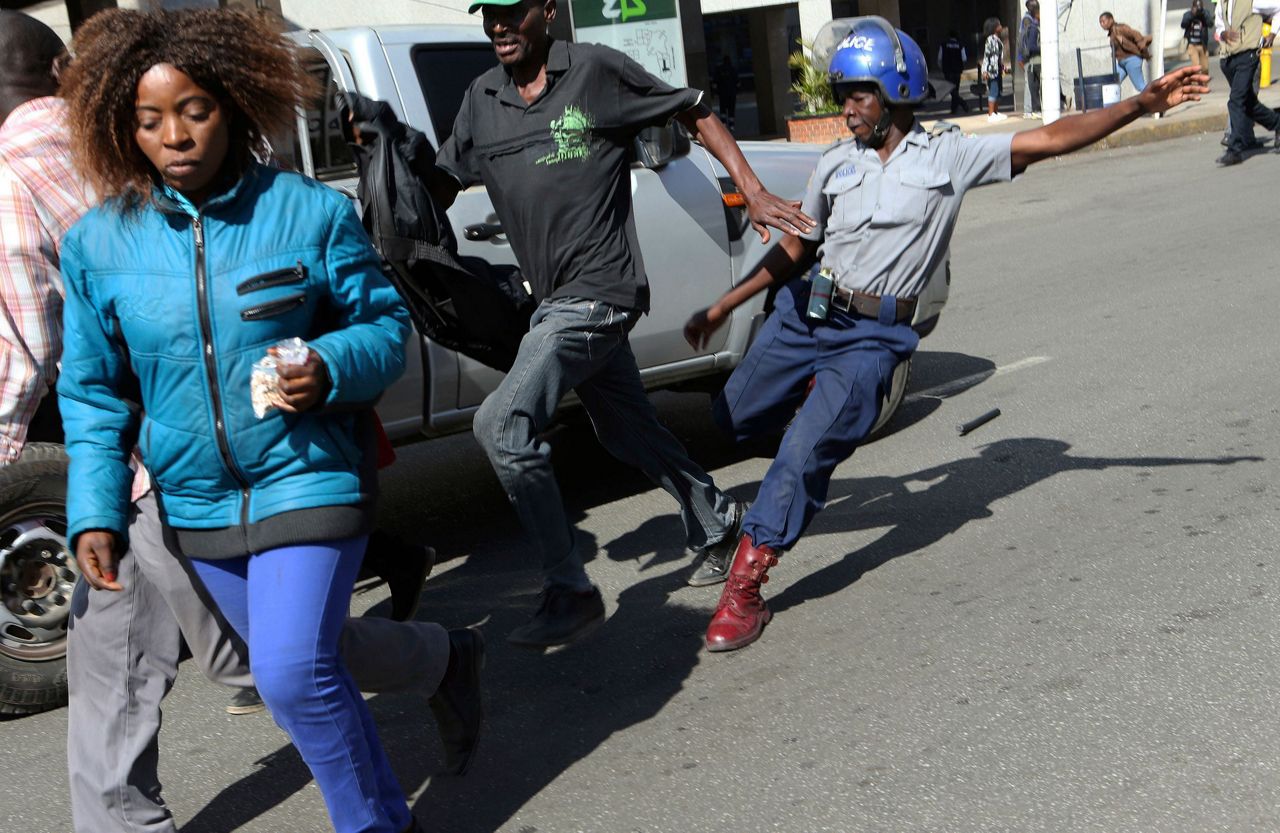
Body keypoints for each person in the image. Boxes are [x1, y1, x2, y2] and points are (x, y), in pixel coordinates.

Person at [0, 13, 483, 833]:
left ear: (232, 104)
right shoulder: (97, 245)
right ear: (123, 125)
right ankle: (439, 674)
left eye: (194, 110)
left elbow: (382, 329)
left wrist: (329, 367)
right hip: (194, 501)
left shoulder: (305, 213)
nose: (174, 136)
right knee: (295, 664)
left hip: (309, 475)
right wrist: (94, 509)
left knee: (291, 673)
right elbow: (92, 393)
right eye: (148, 120)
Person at [682, 16, 1209, 653]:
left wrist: (1140, 103)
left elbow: (1050, 138)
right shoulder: (832, 164)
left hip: (869, 340)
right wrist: (724, 306)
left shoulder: (950, 155)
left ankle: (746, 584)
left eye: (860, 94)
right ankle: (788, 469)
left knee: (802, 451)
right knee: (732, 418)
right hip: (806, 312)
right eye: (842, 94)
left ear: (895, 95)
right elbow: (797, 244)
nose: (847, 108)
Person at [428, 0, 813, 648]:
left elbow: (690, 105)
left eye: (510, 11)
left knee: (498, 423)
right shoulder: (481, 99)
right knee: (626, 431)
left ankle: (569, 588)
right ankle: (718, 522)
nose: (497, 24)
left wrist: (747, 185)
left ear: (547, 11)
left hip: (600, 292)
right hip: (552, 301)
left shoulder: (596, 73)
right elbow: (438, 184)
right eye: (487, 12)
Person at [1214, 0, 1280, 165]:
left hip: (1248, 55)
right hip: (1228, 58)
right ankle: (1278, 123)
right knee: (1248, 103)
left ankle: (1234, 149)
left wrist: (1272, 34)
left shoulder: (1253, 1)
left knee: (1236, 100)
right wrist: (1223, 34)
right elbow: (1219, 24)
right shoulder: (1221, 3)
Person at [1100, 11, 1152, 94]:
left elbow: (1136, 35)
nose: (1102, 24)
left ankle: (1155, 98)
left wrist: (1141, 45)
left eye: (1104, 21)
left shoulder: (1120, 28)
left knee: (1140, 86)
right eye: (1100, 22)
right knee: (1113, 84)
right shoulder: (1112, 32)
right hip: (1122, 62)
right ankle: (1114, 105)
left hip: (1131, 60)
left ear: (1111, 20)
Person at [1019, 0, 1043, 118]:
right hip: (1031, 60)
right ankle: (1030, 110)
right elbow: (1029, 44)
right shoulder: (1029, 23)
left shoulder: (1030, 22)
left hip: (1031, 59)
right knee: (1032, 86)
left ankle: (1032, 110)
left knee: (1033, 86)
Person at [981, 17, 1009, 121]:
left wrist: (1002, 67)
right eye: (999, 25)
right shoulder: (991, 40)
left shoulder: (997, 39)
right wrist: (985, 71)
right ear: (994, 28)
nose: (1001, 26)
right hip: (991, 70)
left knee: (998, 91)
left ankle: (996, 112)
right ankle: (991, 113)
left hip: (997, 69)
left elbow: (998, 57)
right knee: (993, 91)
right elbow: (987, 56)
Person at [937, 30, 970, 115]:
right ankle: (954, 109)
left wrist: (941, 67)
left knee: (951, 89)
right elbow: (964, 59)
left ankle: (961, 104)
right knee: (955, 89)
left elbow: (940, 58)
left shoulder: (943, 44)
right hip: (957, 70)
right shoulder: (960, 45)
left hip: (947, 70)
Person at [1182, 0, 1213, 78]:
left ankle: (1204, 84)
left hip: (1203, 45)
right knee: (1196, 67)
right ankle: (1196, 86)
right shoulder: (1188, 14)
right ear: (1193, 7)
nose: (1198, 9)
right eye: (1197, 7)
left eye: (1200, 7)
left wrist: (1204, 14)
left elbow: (1210, 24)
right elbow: (1183, 25)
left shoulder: (1205, 14)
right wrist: (1192, 15)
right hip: (1192, 45)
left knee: (1205, 68)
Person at [713, 55, 740, 130]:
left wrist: (715, 93)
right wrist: (737, 92)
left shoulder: (719, 70)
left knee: (723, 109)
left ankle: (723, 124)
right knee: (731, 109)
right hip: (732, 94)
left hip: (722, 94)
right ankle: (731, 125)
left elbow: (715, 83)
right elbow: (738, 83)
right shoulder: (733, 69)